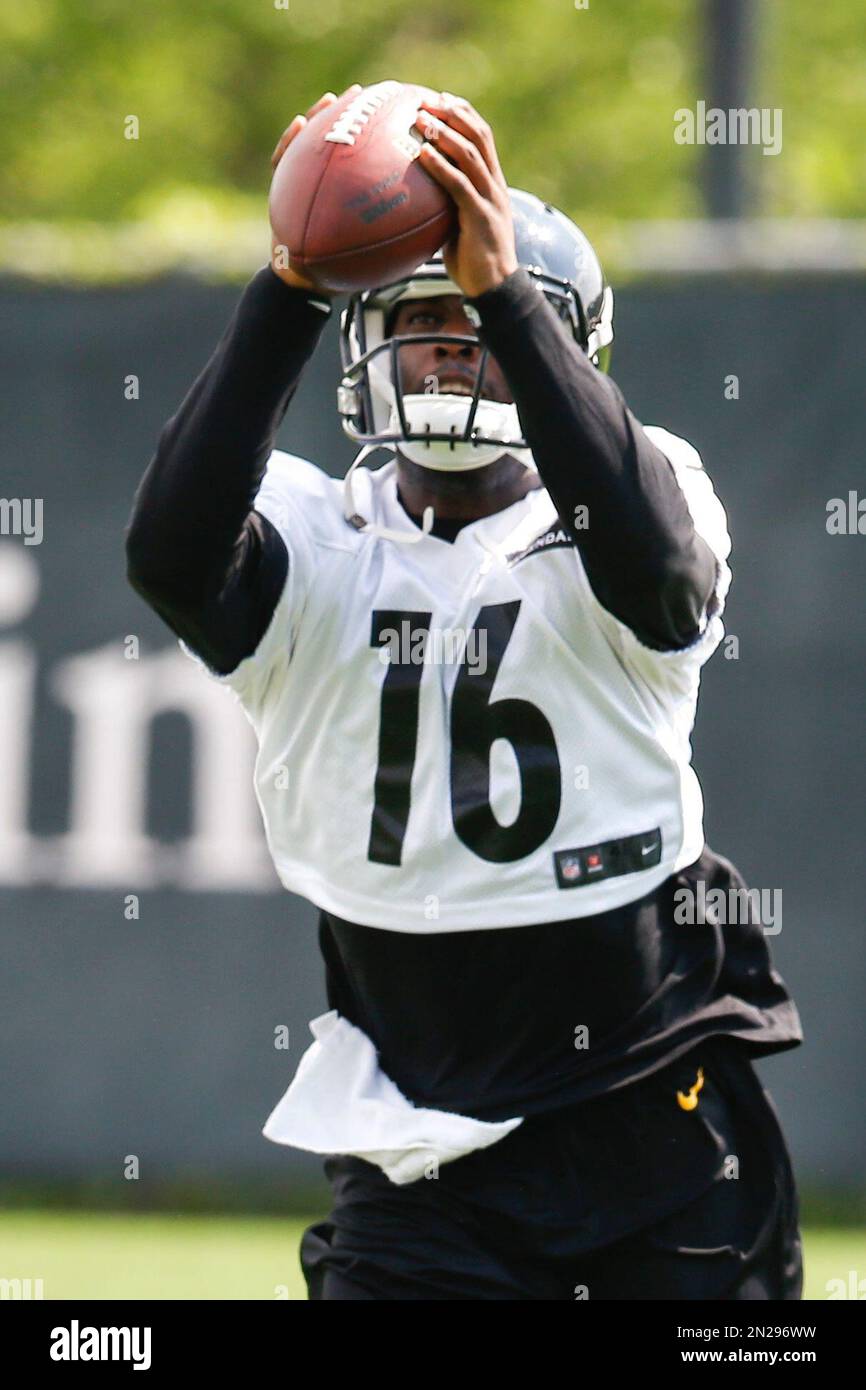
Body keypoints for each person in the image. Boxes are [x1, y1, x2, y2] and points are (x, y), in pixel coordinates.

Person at [126, 86, 803, 1300]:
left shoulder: (643, 497)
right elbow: (170, 556)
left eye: (477, 320)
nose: (449, 345)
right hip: (422, 1143)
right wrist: (288, 284)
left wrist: (507, 294)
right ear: (363, 341)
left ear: (557, 347)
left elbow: (656, 576)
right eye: (420, 318)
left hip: (657, 1109)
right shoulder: (314, 539)